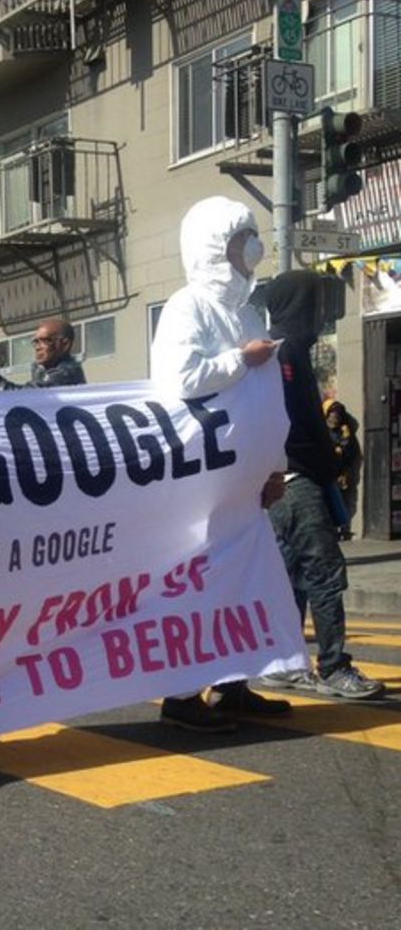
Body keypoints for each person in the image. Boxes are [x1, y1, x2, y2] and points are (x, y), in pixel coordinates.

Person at [149, 195, 292, 732]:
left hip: (243, 481)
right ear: (215, 246)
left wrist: (274, 465)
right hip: (202, 481)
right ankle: (181, 696)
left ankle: (234, 684)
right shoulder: (188, 306)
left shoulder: (250, 311)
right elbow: (179, 379)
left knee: (243, 580)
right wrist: (241, 359)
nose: (251, 247)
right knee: (198, 585)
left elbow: (266, 398)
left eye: (252, 235)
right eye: (240, 238)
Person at [261, 271, 384, 699]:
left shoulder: (280, 348)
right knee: (325, 573)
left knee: (293, 575)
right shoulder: (286, 352)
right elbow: (294, 425)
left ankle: (285, 664)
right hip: (298, 481)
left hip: (285, 481)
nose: (323, 316)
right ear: (301, 307)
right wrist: (321, 472)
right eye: (316, 305)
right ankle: (333, 668)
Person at [322, 397, 360, 539]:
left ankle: (341, 529)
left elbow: (352, 453)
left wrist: (346, 441)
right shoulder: (322, 430)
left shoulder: (344, 431)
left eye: (338, 414)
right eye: (332, 414)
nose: (335, 417)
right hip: (325, 473)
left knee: (341, 501)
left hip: (340, 473)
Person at [28, 319, 86, 387]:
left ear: (65, 345)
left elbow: (32, 391)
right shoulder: (40, 369)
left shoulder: (66, 373)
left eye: (46, 341)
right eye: (36, 342)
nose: (38, 348)